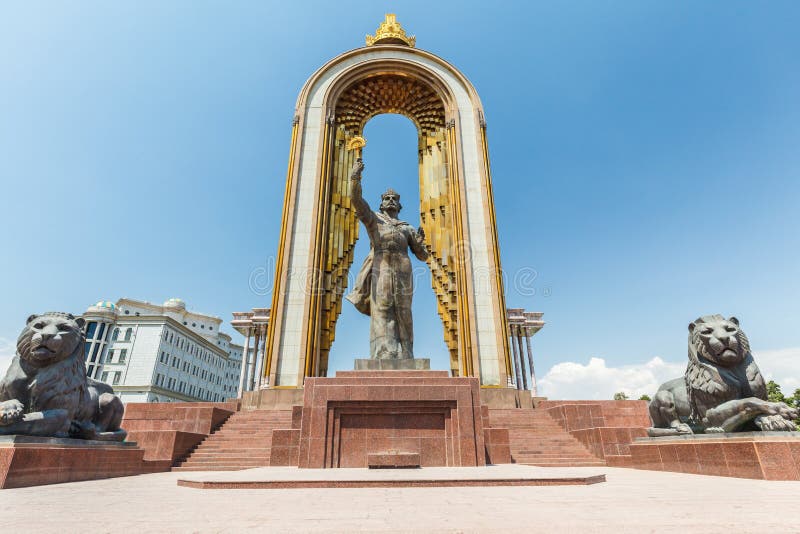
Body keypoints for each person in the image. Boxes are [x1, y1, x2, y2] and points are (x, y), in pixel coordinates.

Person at [345, 159, 428, 360]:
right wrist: (355, 177)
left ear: (399, 205)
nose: (390, 200)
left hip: (403, 269)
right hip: (380, 267)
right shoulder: (374, 219)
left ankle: (406, 352)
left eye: (394, 198)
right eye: (387, 198)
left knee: (403, 310)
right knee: (382, 307)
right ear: (381, 203)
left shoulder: (406, 227)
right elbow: (356, 200)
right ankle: (384, 351)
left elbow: (422, 256)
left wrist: (420, 241)